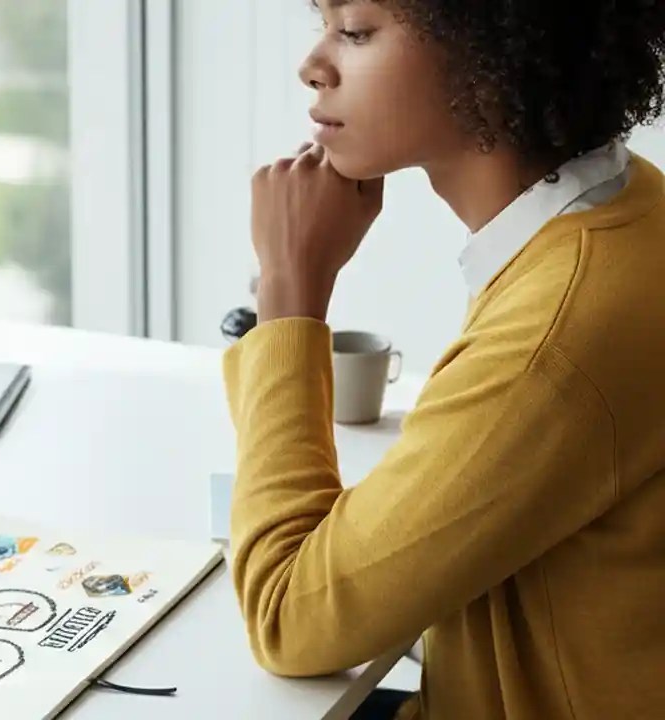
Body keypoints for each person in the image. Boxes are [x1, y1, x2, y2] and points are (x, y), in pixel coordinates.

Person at [224, 1, 665, 719]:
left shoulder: (561, 326)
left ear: (490, 59)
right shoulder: (625, 210)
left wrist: (290, 287)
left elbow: (286, 616)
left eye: (356, 33)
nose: (313, 67)